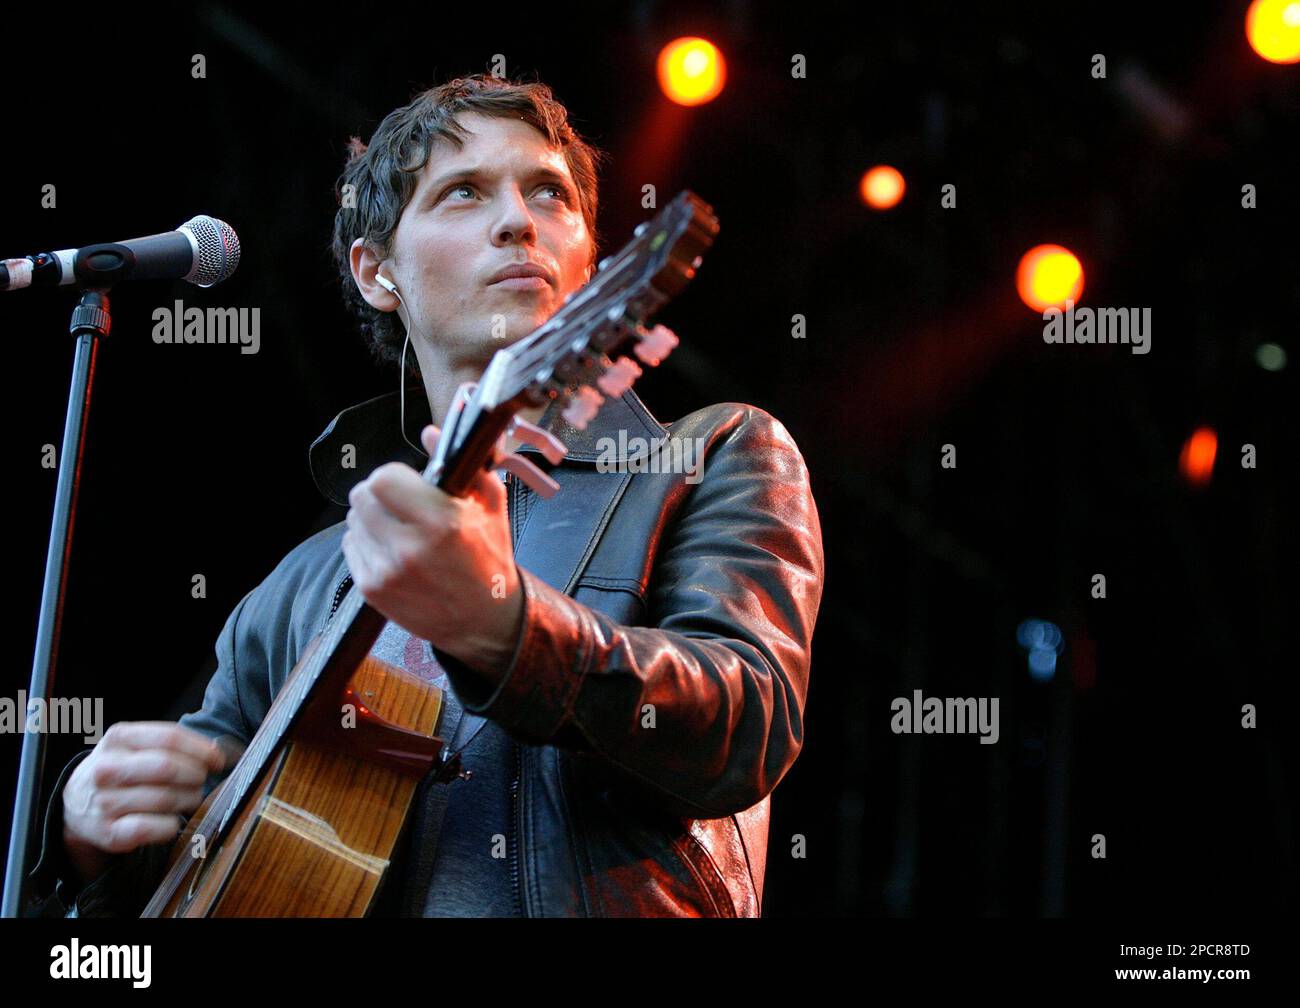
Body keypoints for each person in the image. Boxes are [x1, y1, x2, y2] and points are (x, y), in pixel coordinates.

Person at [26, 73, 824, 917]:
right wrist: (88, 836)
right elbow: (190, 878)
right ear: (377, 272)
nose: (518, 220)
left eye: (549, 193)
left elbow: (749, 725)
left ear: (592, 263)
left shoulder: (711, 455)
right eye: (463, 193)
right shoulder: (300, 587)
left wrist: (506, 629)